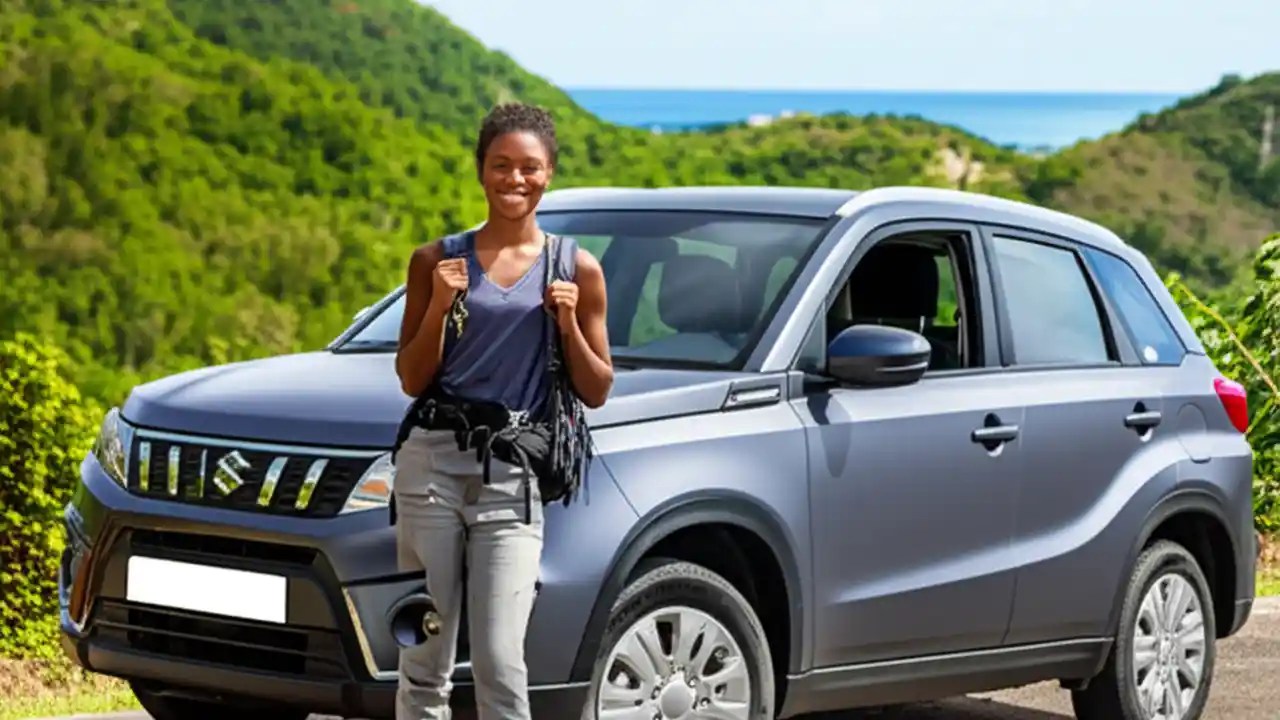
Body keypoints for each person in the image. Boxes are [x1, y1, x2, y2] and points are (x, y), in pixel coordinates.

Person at [391, 102, 613, 720]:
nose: (515, 180)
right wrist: (439, 304)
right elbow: (412, 379)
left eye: (530, 168)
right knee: (424, 657)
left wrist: (567, 322)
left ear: (550, 174)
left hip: (510, 480)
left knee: (500, 660)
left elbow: (597, 389)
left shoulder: (577, 269)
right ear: (481, 171)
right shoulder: (435, 260)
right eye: (501, 165)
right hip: (429, 470)